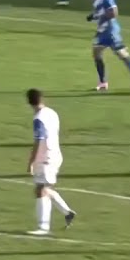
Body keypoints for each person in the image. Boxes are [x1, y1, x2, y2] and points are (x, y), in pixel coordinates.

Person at [25, 88, 76, 235]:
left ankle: (43, 227)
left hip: (46, 157)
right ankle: (67, 213)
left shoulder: (38, 119)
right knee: (44, 188)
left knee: (42, 190)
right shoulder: (52, 113)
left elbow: (38, 141)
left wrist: (31, 161)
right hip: (55, 154)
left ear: (29, 103)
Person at [87, 0, 130, 92]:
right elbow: (101, 11)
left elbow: (114, 13)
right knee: (96, 53)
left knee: (121, 54)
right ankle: (103, 82)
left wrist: (100, 16)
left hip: (111, 30)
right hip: (102, 31)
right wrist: (93, 16)